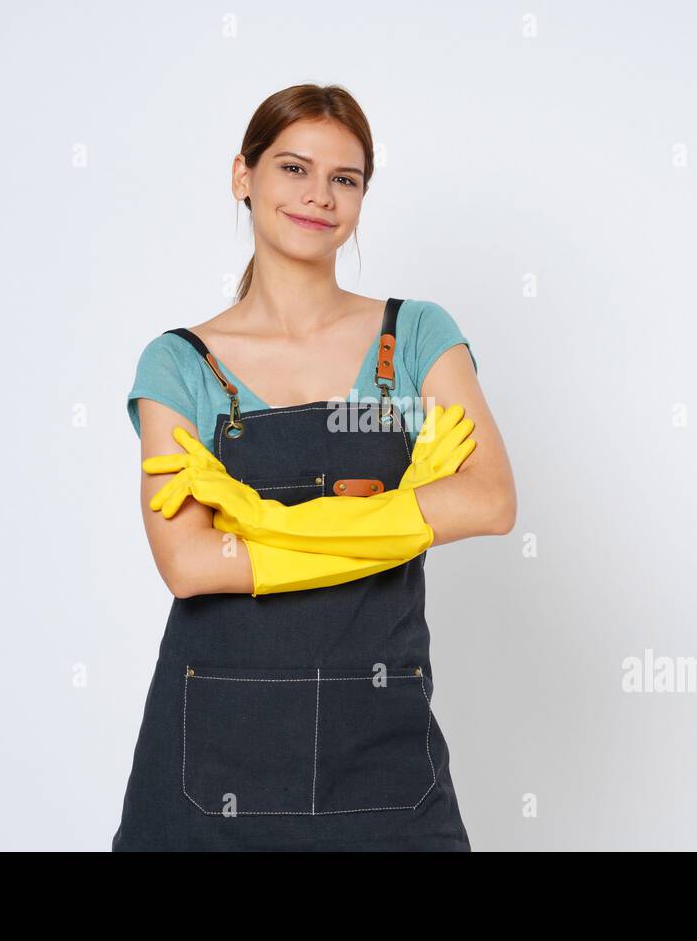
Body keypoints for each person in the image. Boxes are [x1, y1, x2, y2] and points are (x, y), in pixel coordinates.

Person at [112, 83, 516, 851]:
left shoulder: (419, 334)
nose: (318, 197)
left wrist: (258, 520)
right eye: (293, 169)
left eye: (345, 179)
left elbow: (491, 502)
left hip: (383, 756)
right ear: (244, 176)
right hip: (210, 763)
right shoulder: (178, 364)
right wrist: (409, 513)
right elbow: (191, 564)